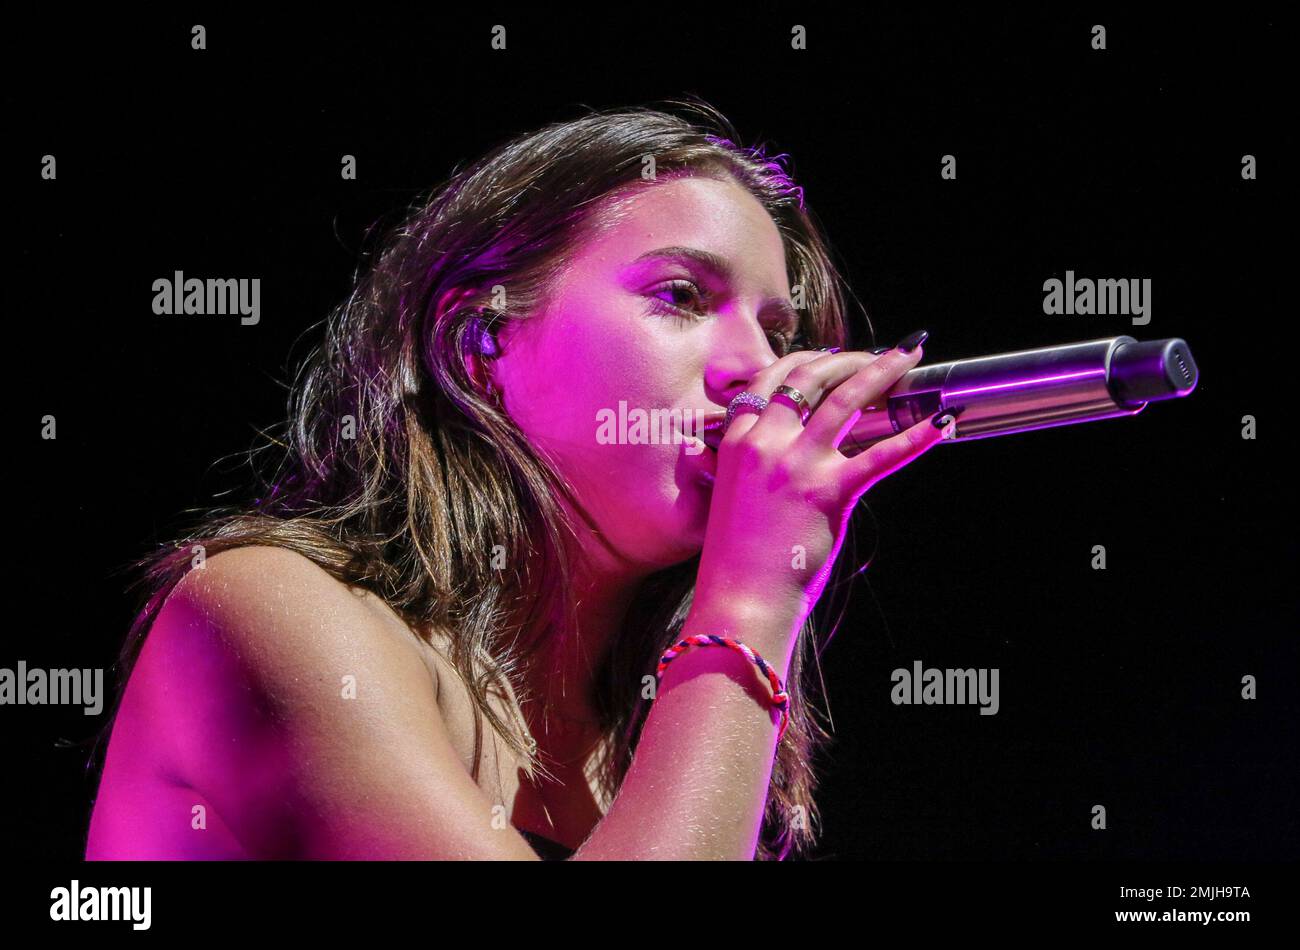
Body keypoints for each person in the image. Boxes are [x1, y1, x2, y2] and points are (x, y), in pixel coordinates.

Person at [84, 100, 948, 860]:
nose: (759, 370)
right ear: (481, 343)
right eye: (681, 295)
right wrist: (752, 599)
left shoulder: (653, 723)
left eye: (776, 329)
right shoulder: (266, 607)